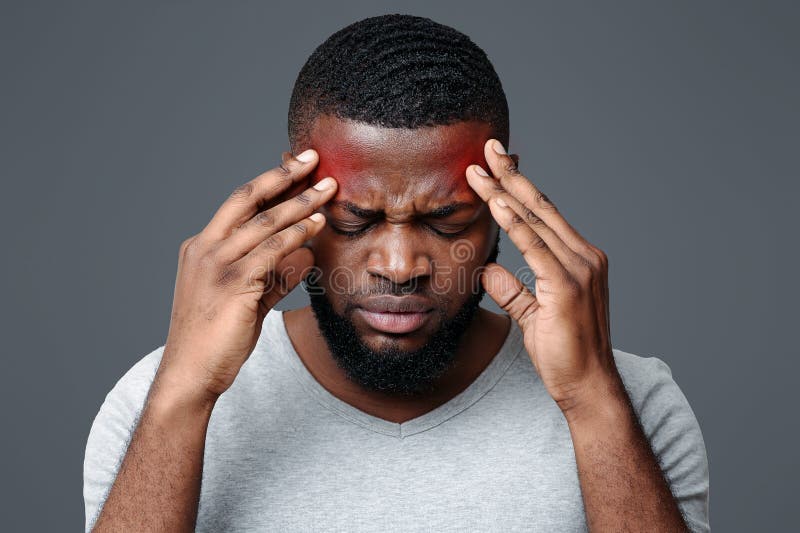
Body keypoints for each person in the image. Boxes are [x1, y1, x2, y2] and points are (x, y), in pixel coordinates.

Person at [83, 14, 709, 532]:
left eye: (446, 220)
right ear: (291, 194)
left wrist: (591, 401)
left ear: (503, 201)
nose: (400, 267)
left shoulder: (630, 402)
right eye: (355, 221)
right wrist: (182, 400)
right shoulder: (156, 405)